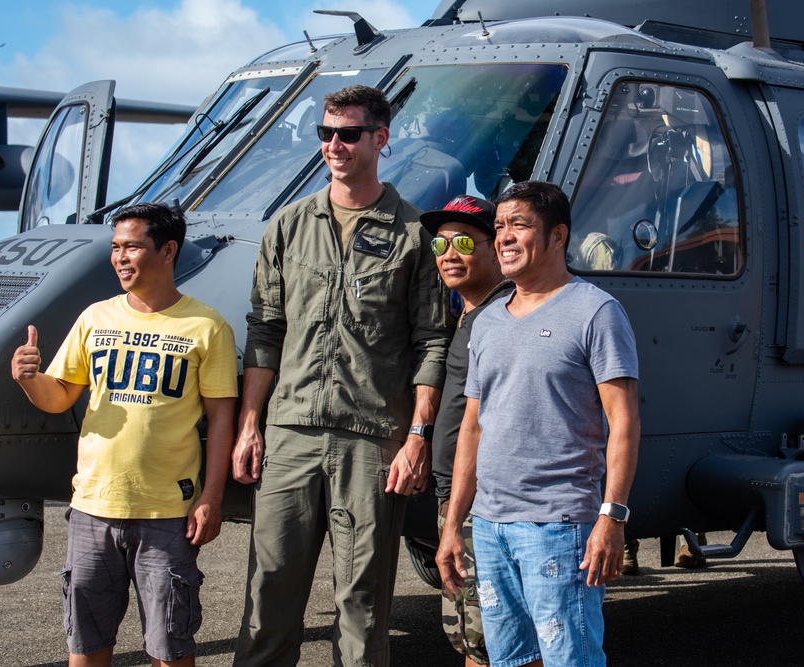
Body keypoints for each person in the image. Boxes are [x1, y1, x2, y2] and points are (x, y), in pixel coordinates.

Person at [232, 84, 452, 667]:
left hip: (371, 438)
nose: (334, 144)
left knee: (361, 604)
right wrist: (251, 425)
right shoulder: (288, 225)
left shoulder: (413, 235)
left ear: (380, 138)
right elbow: (265, 330)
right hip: (292, 431)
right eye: (326, 133)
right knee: (269, 592)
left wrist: (417, 437)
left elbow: (433, 341)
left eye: (348, 134)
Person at [10, 201, 238, 667]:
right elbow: (59, 397)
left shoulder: (208, 327)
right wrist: (29, 379)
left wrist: (212, 496)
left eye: (132, 246)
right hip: (93, 508)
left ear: (168, 250)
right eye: (116, 247)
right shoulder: (96, 318)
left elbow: (220, 421)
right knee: (87, 648)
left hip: (167, 514)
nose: (120, 257)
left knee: (169, 649)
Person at [436, 181, 640, 666]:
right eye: (500, 226)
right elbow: (473, 429)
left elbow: (624, 421)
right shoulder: (487, 322)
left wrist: (611, 517)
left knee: (571, 659)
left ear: (558, 236)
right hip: (488, 526)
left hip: (559, 525)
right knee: (506, 661)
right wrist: (453, 525)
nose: (504, 237)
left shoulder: (596, 312)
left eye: (520, 225)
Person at [421, 195, 512, 667]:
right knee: (465, 631)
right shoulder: (469, 312)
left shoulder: (503, 315)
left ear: (496, 247)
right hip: (454, 493)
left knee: (490, 632)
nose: (448, 254)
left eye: (462, 242)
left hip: (483, 499)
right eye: (439, 243)